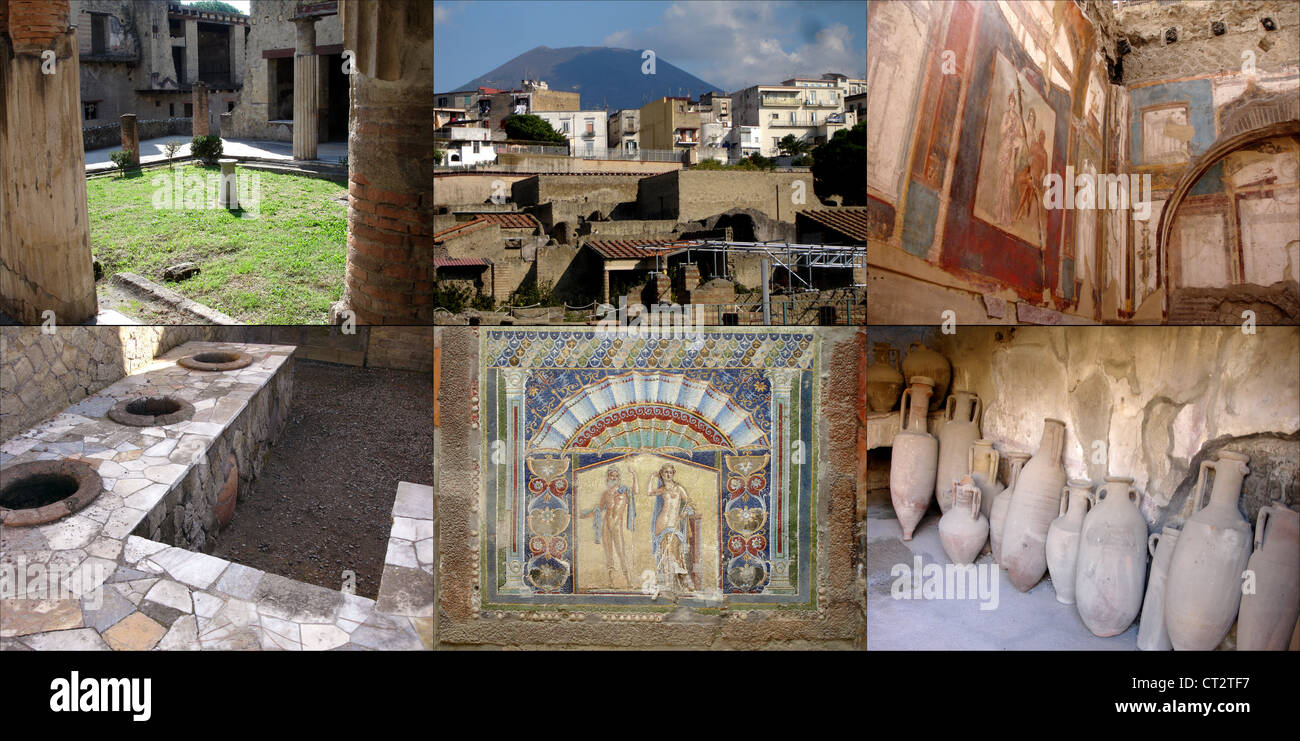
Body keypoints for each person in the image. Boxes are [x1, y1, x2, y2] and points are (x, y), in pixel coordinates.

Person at [579, 467, 636, 588]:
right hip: (606, 524)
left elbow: (635, 491)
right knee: (609, 554)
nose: (613, 478)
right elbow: (599, 509)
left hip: (616, 525)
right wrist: (583, 515)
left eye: (616, 476)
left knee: (621, 553)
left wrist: (634, 475)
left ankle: (629, 581)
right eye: (611, 475)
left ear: (618, 478)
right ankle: (611, 582)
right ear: (608, 478)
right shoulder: (606, 494)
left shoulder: (624, 491)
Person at [646, 464, 697, 593]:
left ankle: (677, 581)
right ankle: (669, 583)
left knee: (674, 553)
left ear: (673, 473)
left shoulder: (679, 489)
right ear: (662, 475)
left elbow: (689, 502)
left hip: (674, 523)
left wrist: (685, 512)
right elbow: (649, 492)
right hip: (662, 523)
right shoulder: (662, 489)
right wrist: (652, 477)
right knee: (665, 553)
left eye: (670, 472)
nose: (668, 475)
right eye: (665, 473)